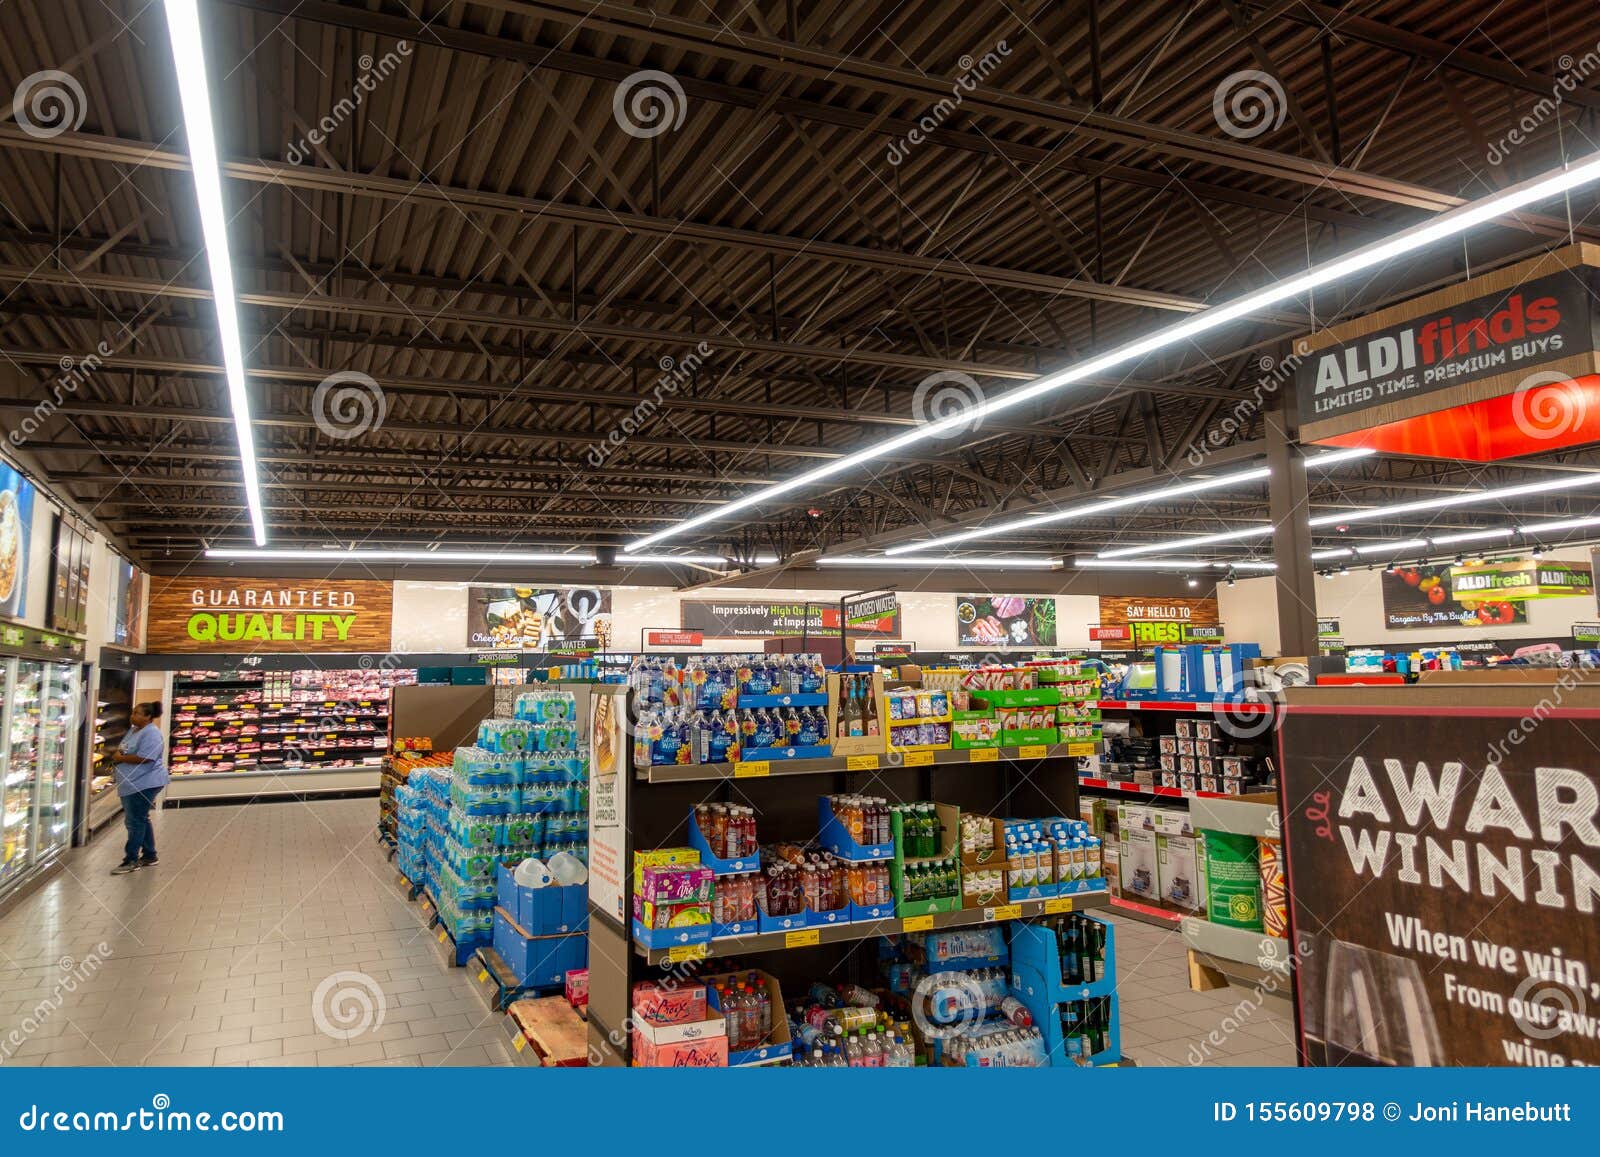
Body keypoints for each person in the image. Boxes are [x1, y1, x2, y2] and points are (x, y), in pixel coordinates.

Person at [109, 701, 170, 875]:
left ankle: (131, 859)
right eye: (133, 712)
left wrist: (120, 759)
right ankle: (150, 855)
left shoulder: (151, 734)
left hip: (144, 782)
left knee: (134, 821)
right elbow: (126, 749)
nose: (132, 715)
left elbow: (147, 757)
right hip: (133, 781)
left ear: (148, 717)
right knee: (141, 818)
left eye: (137, 713)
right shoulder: (134, 730)